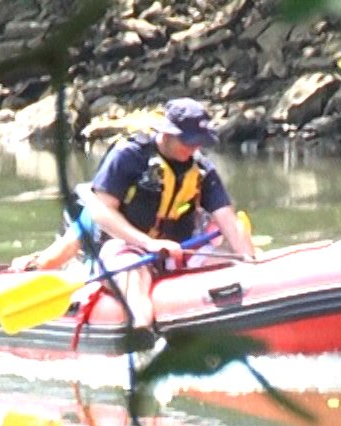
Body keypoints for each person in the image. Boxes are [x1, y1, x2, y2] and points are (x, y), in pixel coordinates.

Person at [80, 97, 256, 336]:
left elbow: (226, 217)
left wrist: (245, 257)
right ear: (168, 134)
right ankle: (142, 341)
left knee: (231, 260)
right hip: (127, 249)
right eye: (189, 141)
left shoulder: (201, 169)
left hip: (178, 250)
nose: (194, 148)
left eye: (198, 143)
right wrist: (147, 243)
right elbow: (102, 211)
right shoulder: (130, 156)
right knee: (135, 278)